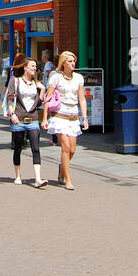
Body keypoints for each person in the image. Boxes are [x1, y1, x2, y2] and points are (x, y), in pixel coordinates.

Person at [43, 50, 87, 191]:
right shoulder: (55, 77)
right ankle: (67, 179)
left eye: (74, 61)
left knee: (72, 150)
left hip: (73, 116)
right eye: (70, 61)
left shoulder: (79, 78)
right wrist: (44, 118)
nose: (73, 63)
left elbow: (82, 99)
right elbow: (48, 99)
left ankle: (63, 168)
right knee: (66, 147)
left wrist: (85, 118)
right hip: (59, 115)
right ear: (63, 63)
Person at [5, 57, 46, 188]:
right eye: (32, 66)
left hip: (33, 119)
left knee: (35, 148)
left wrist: (43, 90)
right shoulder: (15, 81)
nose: (34, 68)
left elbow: (38, 103)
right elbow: (10, 100)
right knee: (18, 148)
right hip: (19, 119)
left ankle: (38, 179)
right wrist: (12, 115)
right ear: (25, 67)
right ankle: (17, 176)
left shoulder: (37, 84)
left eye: (35, 66)